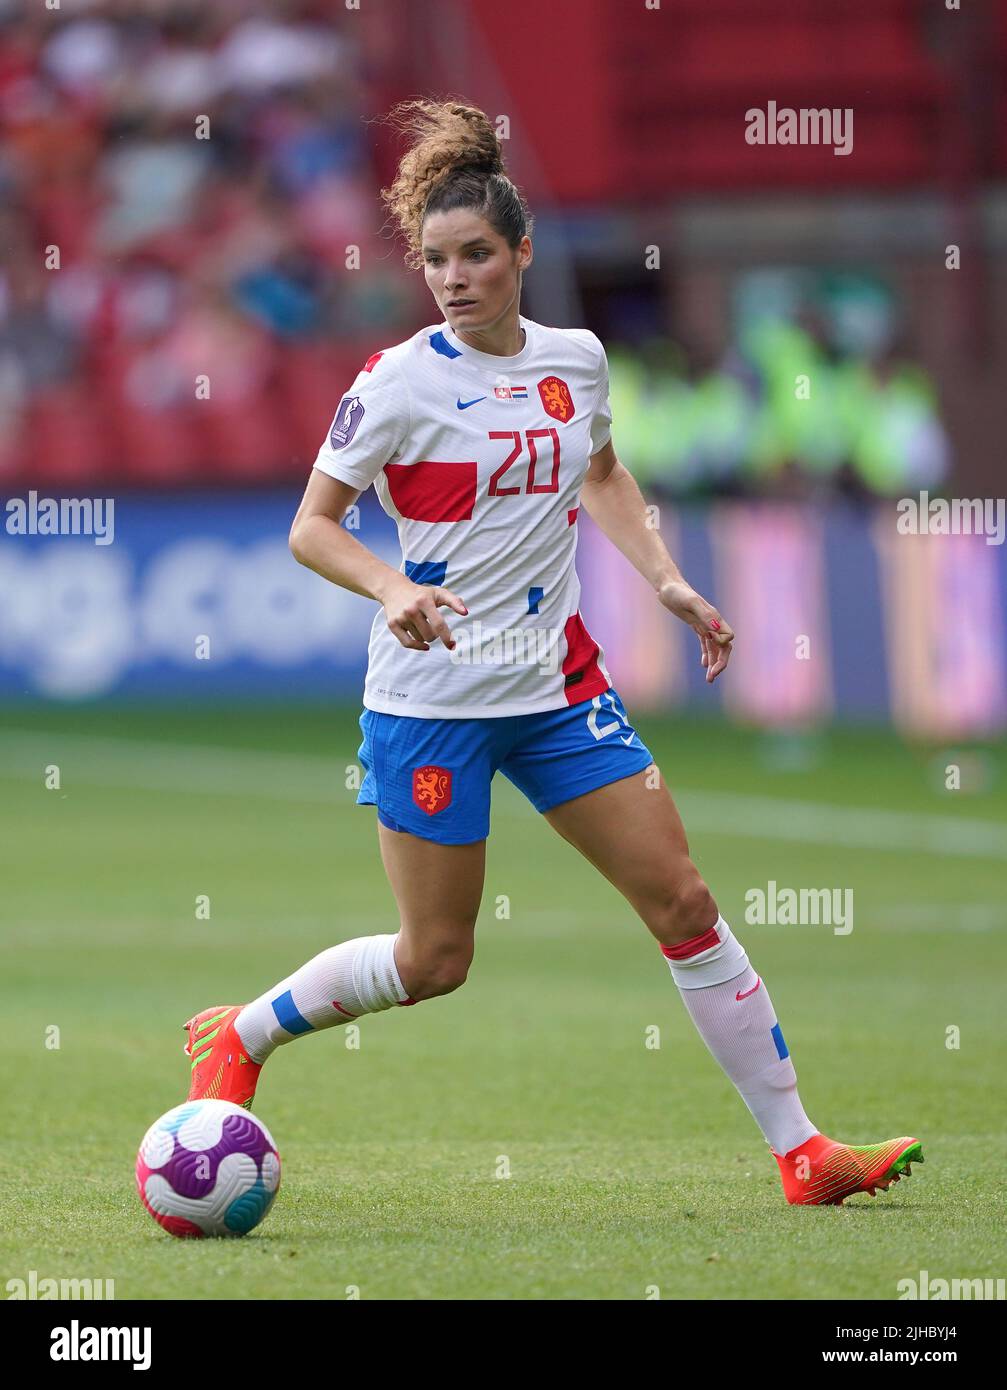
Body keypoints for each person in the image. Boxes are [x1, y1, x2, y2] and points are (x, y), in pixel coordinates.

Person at [183, 100, 922, 1206]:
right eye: (435, 259)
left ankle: (800, 1152)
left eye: (476, 254)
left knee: (681, 900)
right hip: (432, 697)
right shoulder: (393, 383)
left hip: (556, 680)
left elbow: (603, 474)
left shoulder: (575, 360)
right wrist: (394, 587)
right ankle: (237, 1034)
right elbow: (312, 525)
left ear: (521, 252)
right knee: (435, 960)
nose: (453, 276)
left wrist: (665, 578)